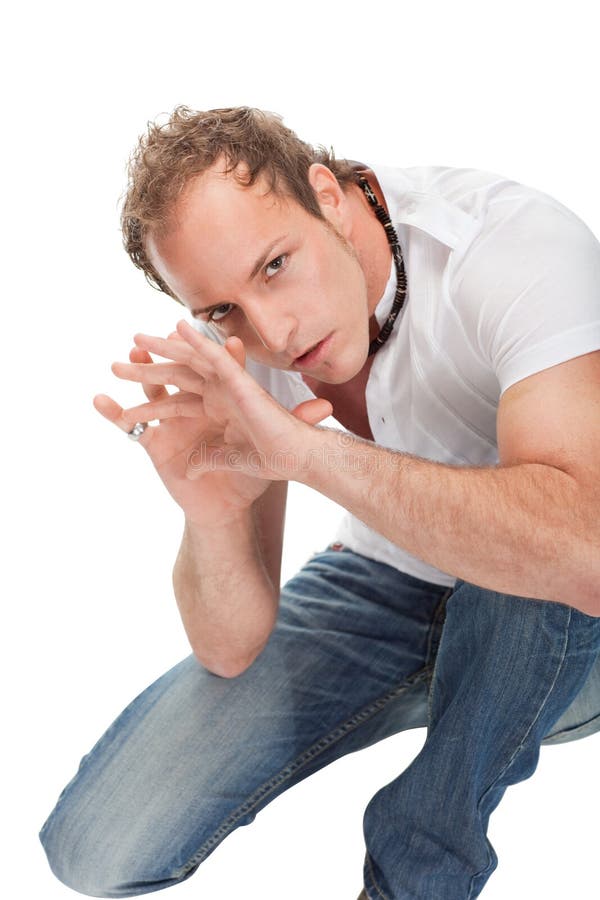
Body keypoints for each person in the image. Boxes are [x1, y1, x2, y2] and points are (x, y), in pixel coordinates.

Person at [39, 106, 600, 900]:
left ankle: (414, 874)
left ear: (328, 196)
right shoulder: (239, 346)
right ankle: (445, 688)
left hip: (563, 617)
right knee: (97, 846)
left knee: (535, 558)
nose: (270, 330)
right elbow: (231, 646)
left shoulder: (508, 249)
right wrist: (213, 512)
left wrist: (306, 455)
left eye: (274, 265)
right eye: (220, 309)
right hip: (388, 580)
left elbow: (586, 556)